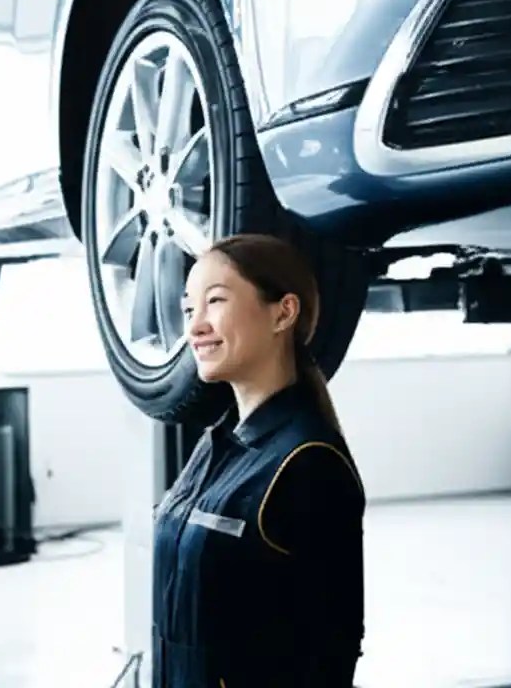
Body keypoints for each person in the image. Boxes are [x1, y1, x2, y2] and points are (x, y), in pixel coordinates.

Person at [153, 233, 367, 687]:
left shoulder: (308, 460)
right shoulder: (215, 446)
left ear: (283, 312)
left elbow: (332, 651)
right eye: (189, 309)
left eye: (215, 301)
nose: (194, 327)